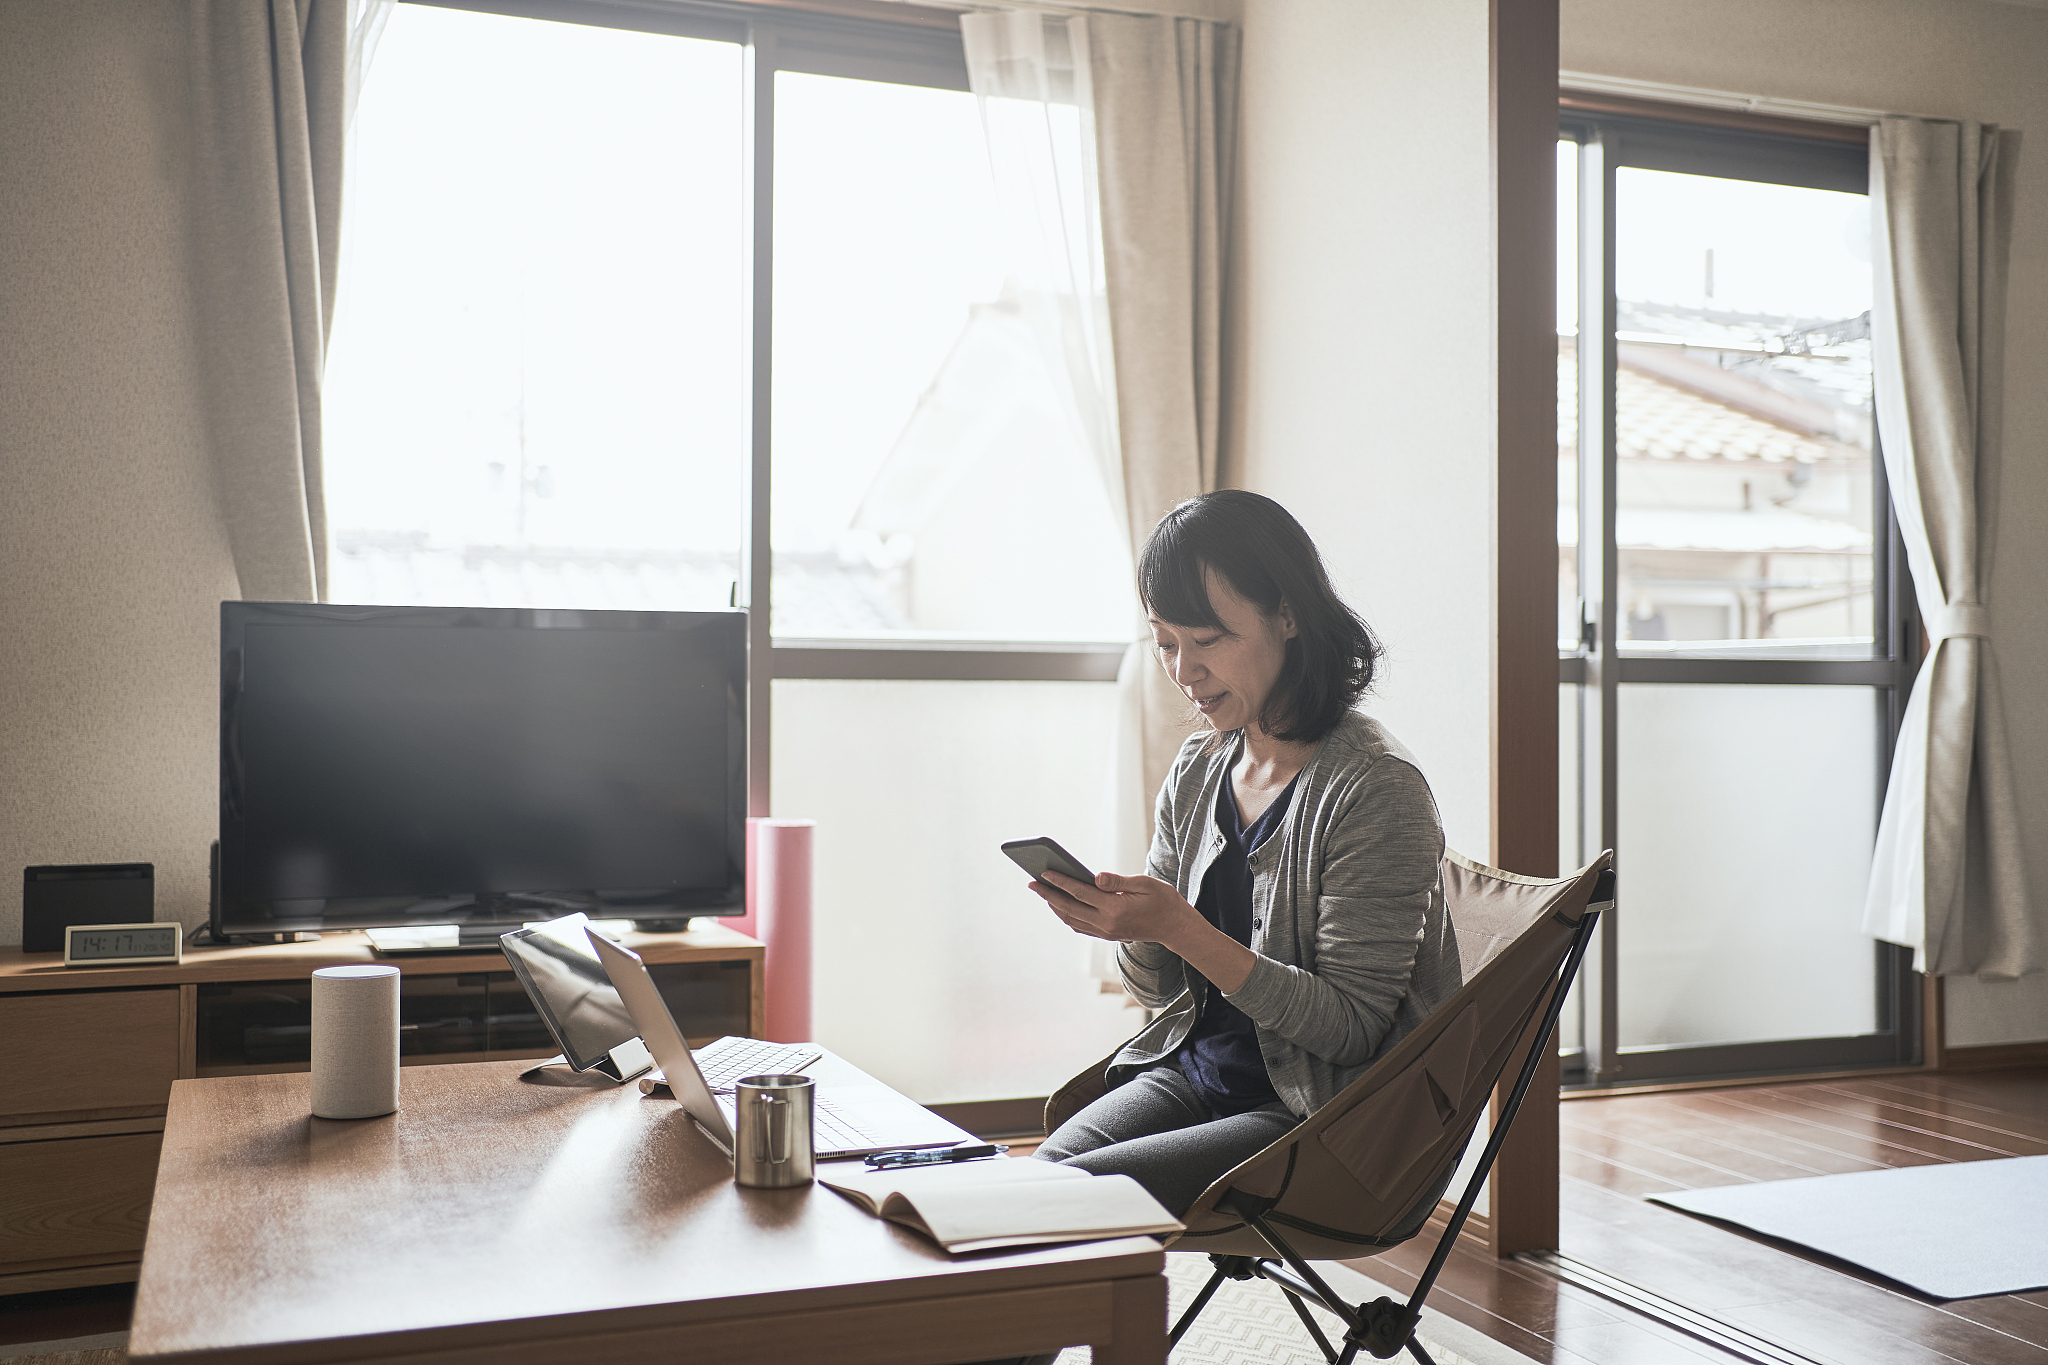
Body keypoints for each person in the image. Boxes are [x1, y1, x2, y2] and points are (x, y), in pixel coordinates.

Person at [1026, 489, 1462, 1219]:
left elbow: (1351, 1030)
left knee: (1068, 1207)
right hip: (1197, 1076)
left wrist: (1180, 927)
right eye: (1166, 642)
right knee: (1034, 1190)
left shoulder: (1375, 788)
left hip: (1319, 1116)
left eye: (1207, 639)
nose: (1183, 671)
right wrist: (1130, 928)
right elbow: (1160, 988)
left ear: (1287, 615)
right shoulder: (1199, 767)